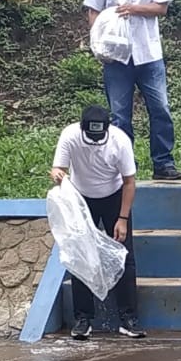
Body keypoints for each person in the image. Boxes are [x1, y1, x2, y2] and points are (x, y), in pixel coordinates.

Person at [84, 0, 181, 181]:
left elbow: (161, 7)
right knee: (119, 115)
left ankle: (163, 164)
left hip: (149, 53)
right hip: (116, 57)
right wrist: (98, 41)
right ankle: (124, 168)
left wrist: (134, 9)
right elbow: (93, 9)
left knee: (160, 108)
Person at [49, 105, 145, 340]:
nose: (94, 142)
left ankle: (128, 318)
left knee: (125, 255)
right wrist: (57, 174)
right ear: (82, 129)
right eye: (90, 137)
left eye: (98, 137)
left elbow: (129, 182)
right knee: (82, 256)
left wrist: (122, 218)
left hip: (114, 197)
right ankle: (83, 319)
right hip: (82, 199)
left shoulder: (120, 141)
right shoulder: (70, 135)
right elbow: (57, 168)